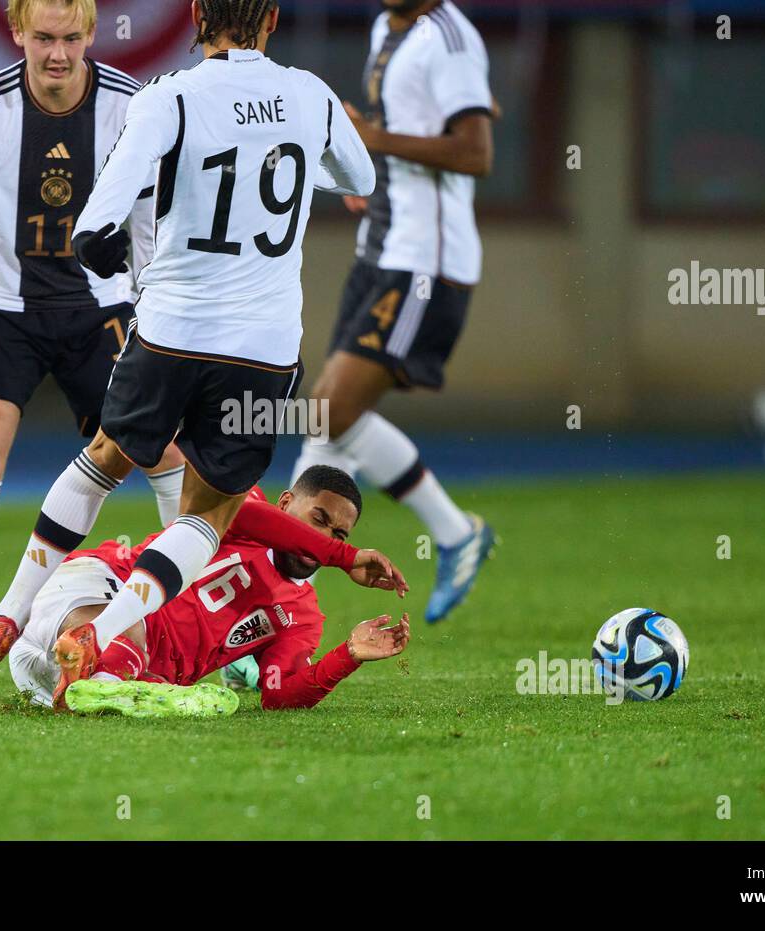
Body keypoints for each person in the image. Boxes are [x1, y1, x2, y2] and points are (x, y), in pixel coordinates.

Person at [0, 0, 377, 676]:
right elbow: (360, 178)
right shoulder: (312, 95)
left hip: (172, 330)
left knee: (104, 456)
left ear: (194, 14)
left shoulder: (172, 96)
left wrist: (100, 252)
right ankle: (102, 632)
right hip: (265, 348)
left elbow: (97, 225)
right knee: (208, 515)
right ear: (271, 19)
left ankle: (11, 612)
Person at [0, 0, 185, 693]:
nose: (56, 54)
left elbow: (153, 221)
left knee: (165, 454)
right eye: (43, 39)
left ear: (92, 34)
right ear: (17, 34)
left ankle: (195, 631)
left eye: (69, 38)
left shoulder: (130, 106)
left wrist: (155, 318)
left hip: (101, 312)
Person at [289, 0, 497, 624]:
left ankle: (454, 530)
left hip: (424, 264)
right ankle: (280, 595)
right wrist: (370, 169)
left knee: (332, 408)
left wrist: (371, 140)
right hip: (381, 244)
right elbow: (440, 112)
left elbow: (476, 150)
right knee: (325, 427)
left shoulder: (451, 39)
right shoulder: (389, 26)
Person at [9, 466, 411, 715]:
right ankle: (107, 687)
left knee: (129, 652)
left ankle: (97, 691)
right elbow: (249, 515)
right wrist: (343, 554)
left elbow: (278, 695)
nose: (323, 537)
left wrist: (349, 655)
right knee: (128, 622)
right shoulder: (243, 504)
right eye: (318, 519)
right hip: (92, 591)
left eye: (338, 534)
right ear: (286, 502)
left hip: (46, 680)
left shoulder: (303, 617)